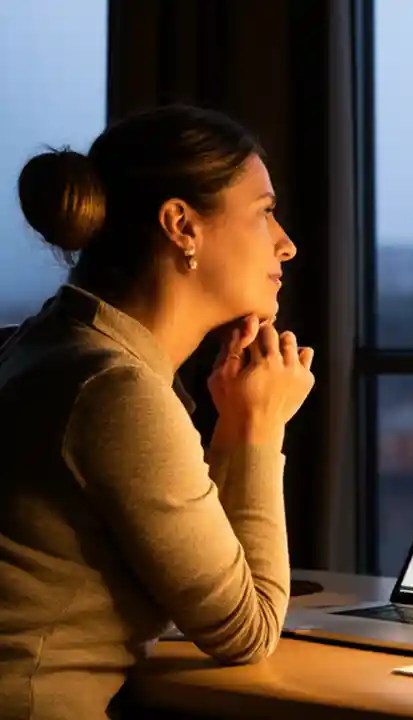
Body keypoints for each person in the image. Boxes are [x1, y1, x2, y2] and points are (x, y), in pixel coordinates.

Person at [0, 105, 315, 720]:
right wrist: (254, 427)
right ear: (182, 226)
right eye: (264, 212)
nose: (287, 243)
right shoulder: (115, 390)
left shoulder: (35, 343)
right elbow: (245, 634)